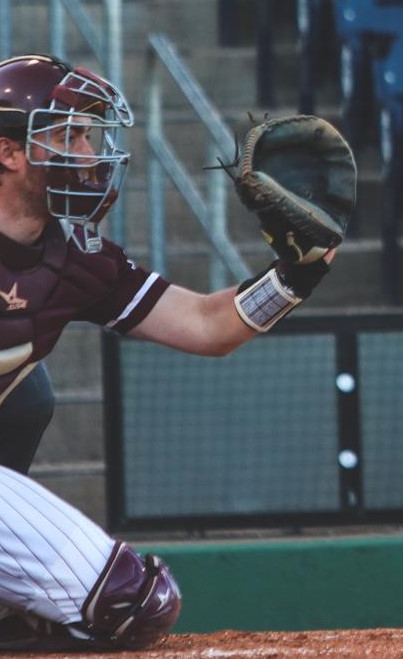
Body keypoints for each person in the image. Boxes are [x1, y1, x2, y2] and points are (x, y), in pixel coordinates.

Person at [0, 54, 351, 650]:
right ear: (7, 152)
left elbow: (204, 325)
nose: (88, 152)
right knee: (125, 598)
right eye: (68, 135)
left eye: (88, 134)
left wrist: (293, 277)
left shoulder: (76, 258)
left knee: (135, 603)